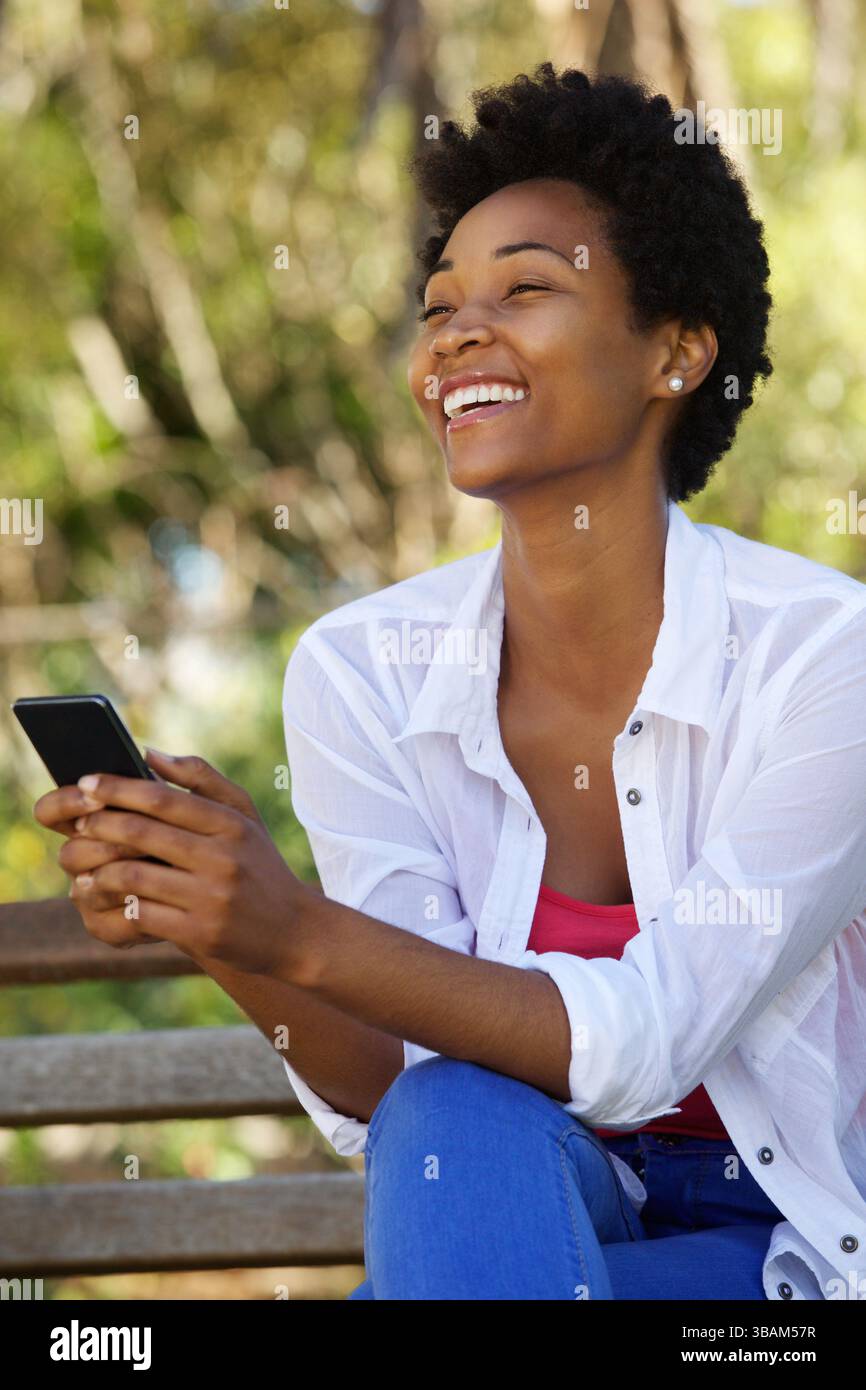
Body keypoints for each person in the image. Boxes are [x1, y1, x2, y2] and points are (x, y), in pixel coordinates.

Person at [37, 64, 866, 1301]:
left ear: (677, 352)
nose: (455, 334)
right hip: (512, 1202)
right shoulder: (364, 672)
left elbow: (650, 1040)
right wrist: (228, 932)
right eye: (437, 307)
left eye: (526, 287)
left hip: (778, 1255)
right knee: (450, 1111)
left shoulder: (821, 653)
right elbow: (402, 1083)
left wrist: (301, 928)